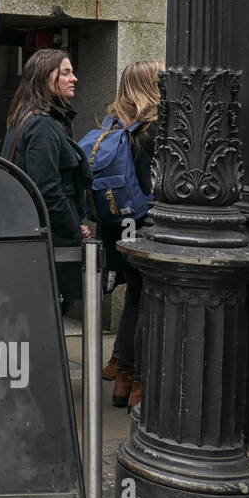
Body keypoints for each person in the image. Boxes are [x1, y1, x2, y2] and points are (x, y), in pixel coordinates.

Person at [0, 48, 93, 314]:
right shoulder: (41, 125)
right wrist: (74, 228)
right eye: (65, 72)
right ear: (44, 78)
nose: (73, 78)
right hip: (47, 240)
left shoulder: (29, 119)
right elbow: (48, 191)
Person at [98, 60, 162, 410]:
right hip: (144, 222)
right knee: (146, 299)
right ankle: (137, 381)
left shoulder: (113, 122)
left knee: (134, 298)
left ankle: (121, 376)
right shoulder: (151, 128)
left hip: (117, 226)